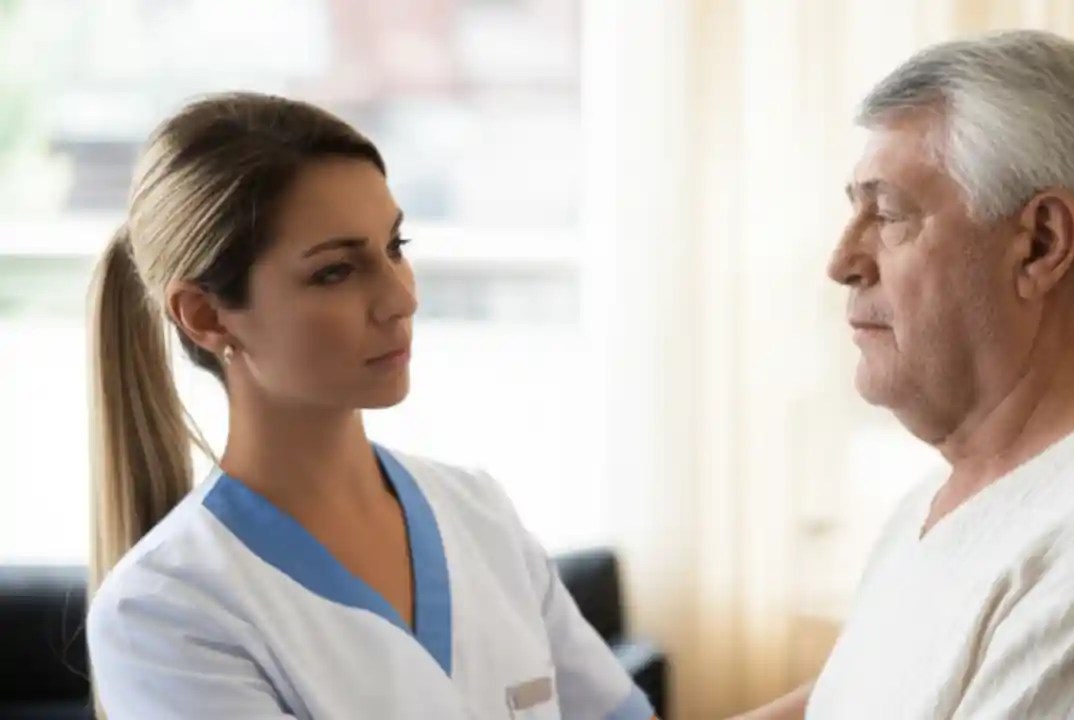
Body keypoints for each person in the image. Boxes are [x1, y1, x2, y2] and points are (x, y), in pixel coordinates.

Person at [740, 30, 1074, 719]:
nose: (843, 260)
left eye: (889, 213)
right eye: (855, 208)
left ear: (1040, 244)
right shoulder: (963, 490)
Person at [85, 92, 656, 720]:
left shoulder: (478, 513)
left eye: (394, 246)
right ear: (205, 315)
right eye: (335, 271)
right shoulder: (166, 610)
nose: (400, 299)